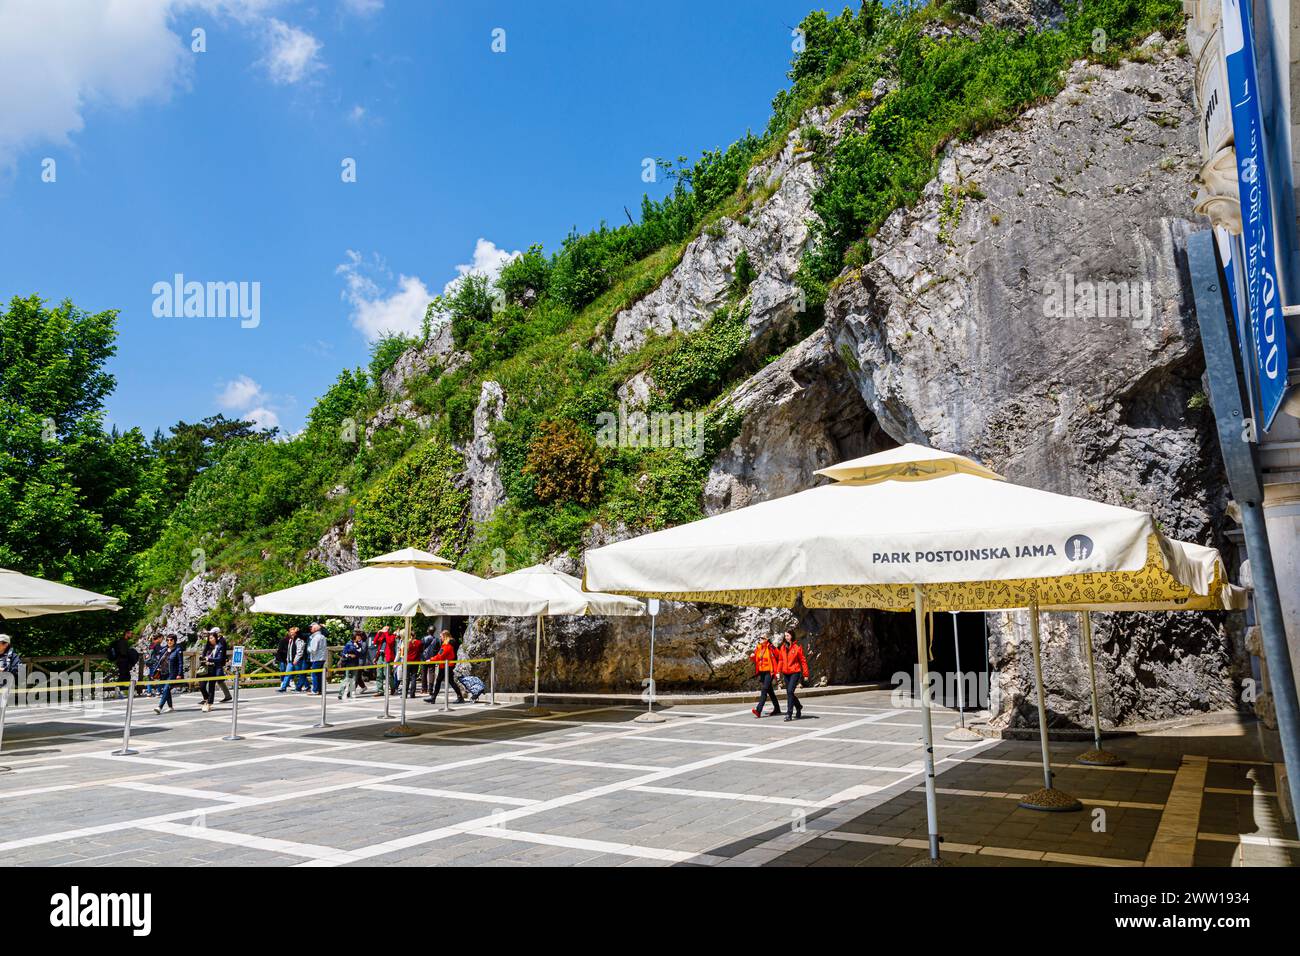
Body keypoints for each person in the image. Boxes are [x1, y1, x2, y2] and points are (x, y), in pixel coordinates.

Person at [774, 631, 809, 721]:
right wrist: (778, 671)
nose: (786, 637)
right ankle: (798, 706)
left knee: (789, 692)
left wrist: (805, 674)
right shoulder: (783, 647)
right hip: (786, 673)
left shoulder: (797, 647)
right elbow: (781, 660)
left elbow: (803, 661)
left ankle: (789, 714)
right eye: (785, 636)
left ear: (792, 636)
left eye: (788, 635)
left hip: (795, 672)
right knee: (790, 693)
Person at [425, 630, 464, 704]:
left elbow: (440, 656)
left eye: (441, 636)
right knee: (441, 681)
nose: (440, 638)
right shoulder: (446, 645)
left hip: (447, 666)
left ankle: (460, 697)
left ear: (445, 636)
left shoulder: (447, 646)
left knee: (448, 681)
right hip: (444, 666)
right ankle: (433, 698)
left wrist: (431, 660)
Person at [750, 634, 781, 718]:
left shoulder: (771, 647)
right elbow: (757, 659)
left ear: (767, 639)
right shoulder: (759, 648)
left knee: (764, 690)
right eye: (760, 637)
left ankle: (758, 710)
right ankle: (777, 708)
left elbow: (779, 656)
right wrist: (753, 657)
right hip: (762, 672)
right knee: (770, 691)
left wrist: (777, 671)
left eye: (763, 638)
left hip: (769, 672)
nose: (760, 639)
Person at [153, 635, 184, 714]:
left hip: (173, 673)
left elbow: (180, 663)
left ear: (174, 641)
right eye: (168, 640)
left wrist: (179, 674)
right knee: (166, 690)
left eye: (171, 640)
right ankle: (170, 707)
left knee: (166, 689)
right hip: (163, 673)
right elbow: (159, 660)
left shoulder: (178, 650)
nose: (169, 641)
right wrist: (157, 669)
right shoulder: (164, 650)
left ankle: (159, 707)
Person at [197, 630, 225, 712]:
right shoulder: (207, 646)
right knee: (202, 686)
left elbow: (219, 659)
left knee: (211, 687)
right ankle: (206, 699)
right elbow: (203, 655)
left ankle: (209, 704)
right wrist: (203, 659)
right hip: (205, 667)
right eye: (209, 638)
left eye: (212, 638)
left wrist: (209, 659)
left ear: (216, 638)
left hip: (214, 668)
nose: (210, 640)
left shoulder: (220, 646)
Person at [107, 631, 140, 698]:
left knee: (126, 676)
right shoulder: (123, 642)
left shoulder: (122, 641)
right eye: (131, 633)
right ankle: (118, 691)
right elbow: (123, 653)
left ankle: (124, 691)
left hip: (122, 661)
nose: (132, 635)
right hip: (123, 661)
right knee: (123, 676)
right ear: (126, 633)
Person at [338, 631, 363, 700]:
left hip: (356, 663)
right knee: (347, 678)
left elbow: (360, 652)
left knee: (354, 679)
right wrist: (349, 655)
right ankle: (341, 693)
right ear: (355, 636)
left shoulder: (359, 644)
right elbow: (343, 653)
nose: (360, 637)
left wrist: (357, 651)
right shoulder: (348, 644)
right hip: (349, 663)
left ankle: (351, 692)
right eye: (358, 636)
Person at [291, 627, 312, 692]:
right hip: (302, 658)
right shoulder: (293, 639)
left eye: (293, 632)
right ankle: (307, 686)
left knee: (301, 674)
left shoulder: (299, 639)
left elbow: (299, 651)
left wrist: (296, 659)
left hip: (301, 659)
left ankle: (299, 687)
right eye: (291, 632)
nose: (291, 633)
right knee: (302, 674)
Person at [275, 627, 295, 692]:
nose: (292, 634)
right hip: (282, 658)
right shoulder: (283, 640)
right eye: (291, 632)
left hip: (290, 658)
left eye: (293, 633)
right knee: (283, 669)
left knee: (290, 670)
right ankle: (283, 682)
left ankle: (290, 681)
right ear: (289, 633)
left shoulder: (294, 640)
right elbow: (279, 650)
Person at [404, 631, 423, 697]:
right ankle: (412, 694)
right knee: (414, 677)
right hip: (415, 661)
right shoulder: (419, 642)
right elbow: (421, 651)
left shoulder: (407, 642)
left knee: (406, 678)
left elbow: (404, 652)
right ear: (415, 635)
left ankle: (405, 693)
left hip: (408, 661)